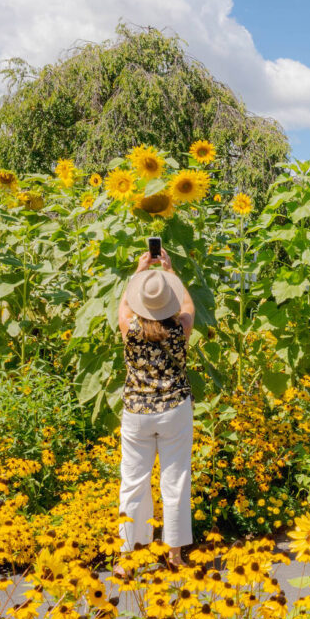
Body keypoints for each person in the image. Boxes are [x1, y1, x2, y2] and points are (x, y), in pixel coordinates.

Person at [114, 247, 196, 576]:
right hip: (174, 408)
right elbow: (188, 305)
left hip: (137, 410)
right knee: (175, 481)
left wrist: (139, 273)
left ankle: (128, 558)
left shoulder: (129, 329)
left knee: (133, 482)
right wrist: (170, 272)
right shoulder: (180, 329)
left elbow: (123, 305)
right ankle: (174, 556)